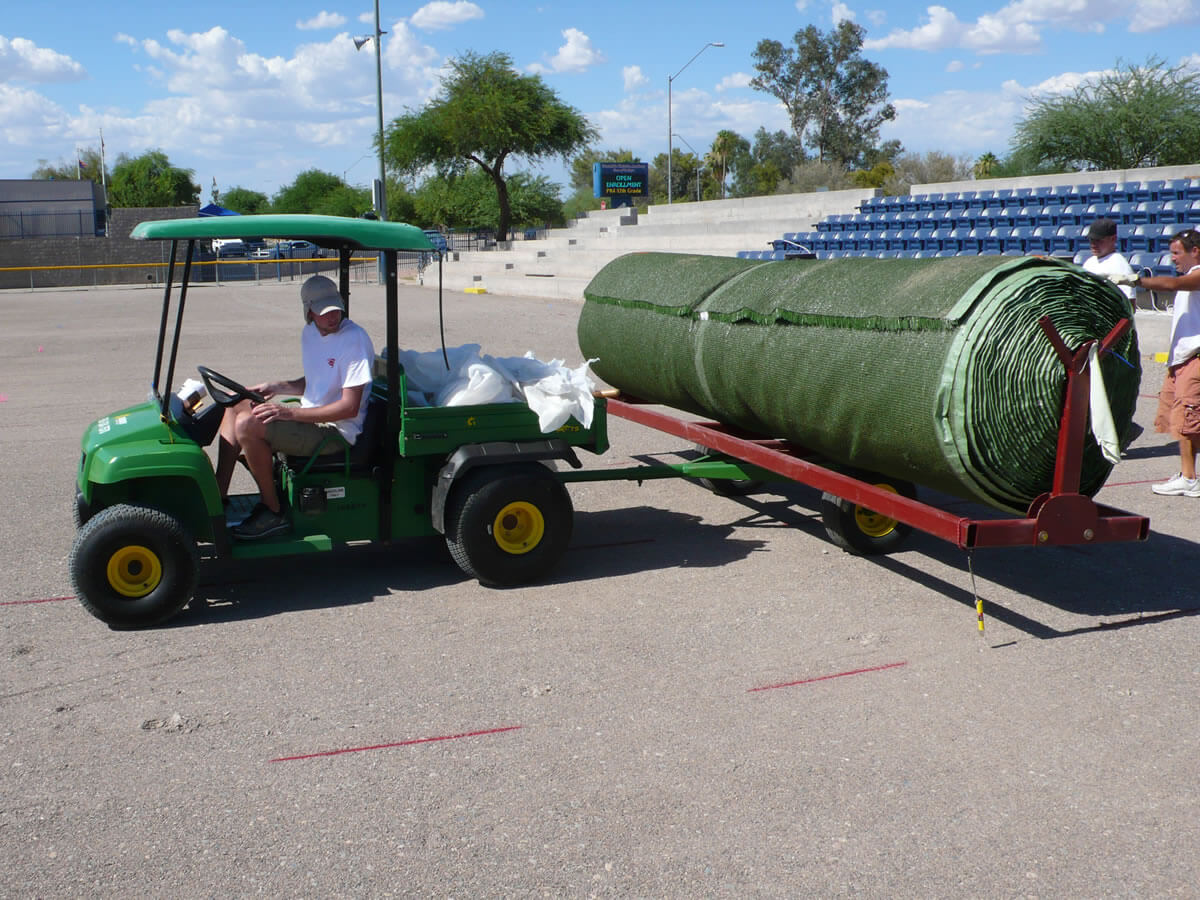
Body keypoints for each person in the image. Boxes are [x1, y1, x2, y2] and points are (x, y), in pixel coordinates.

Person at [215, 275, 375, 538]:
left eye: (336, 308)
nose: (332, 316)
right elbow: (318, 381)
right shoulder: (310, 333)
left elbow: (349, 408)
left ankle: (273, 511)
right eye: (324, 312)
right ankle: (218, 496)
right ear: (308, 311)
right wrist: (278, 387)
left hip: (335, 432)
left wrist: (288, 412)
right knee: (236, 403)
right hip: (311, 419)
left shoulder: (353, 339)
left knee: (248, 425)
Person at [1109, 229, 1200, 496]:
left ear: (1195, 250)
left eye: (1176, 253)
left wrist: (1136, 280)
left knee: (1187, 420)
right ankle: (1188, 474)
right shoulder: (1189, 277)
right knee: (1181, 420)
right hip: (1182, 358)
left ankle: (1189, 477)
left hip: (1195, 358)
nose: (1172, 259)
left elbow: (1170, 286)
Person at [1083, 218, 1136, 306]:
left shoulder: (1120, 266)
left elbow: (1130, 306)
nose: (1093, 245)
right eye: (1091, 240)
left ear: (1113, 239)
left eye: (1098, 240)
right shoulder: (1089, 262)